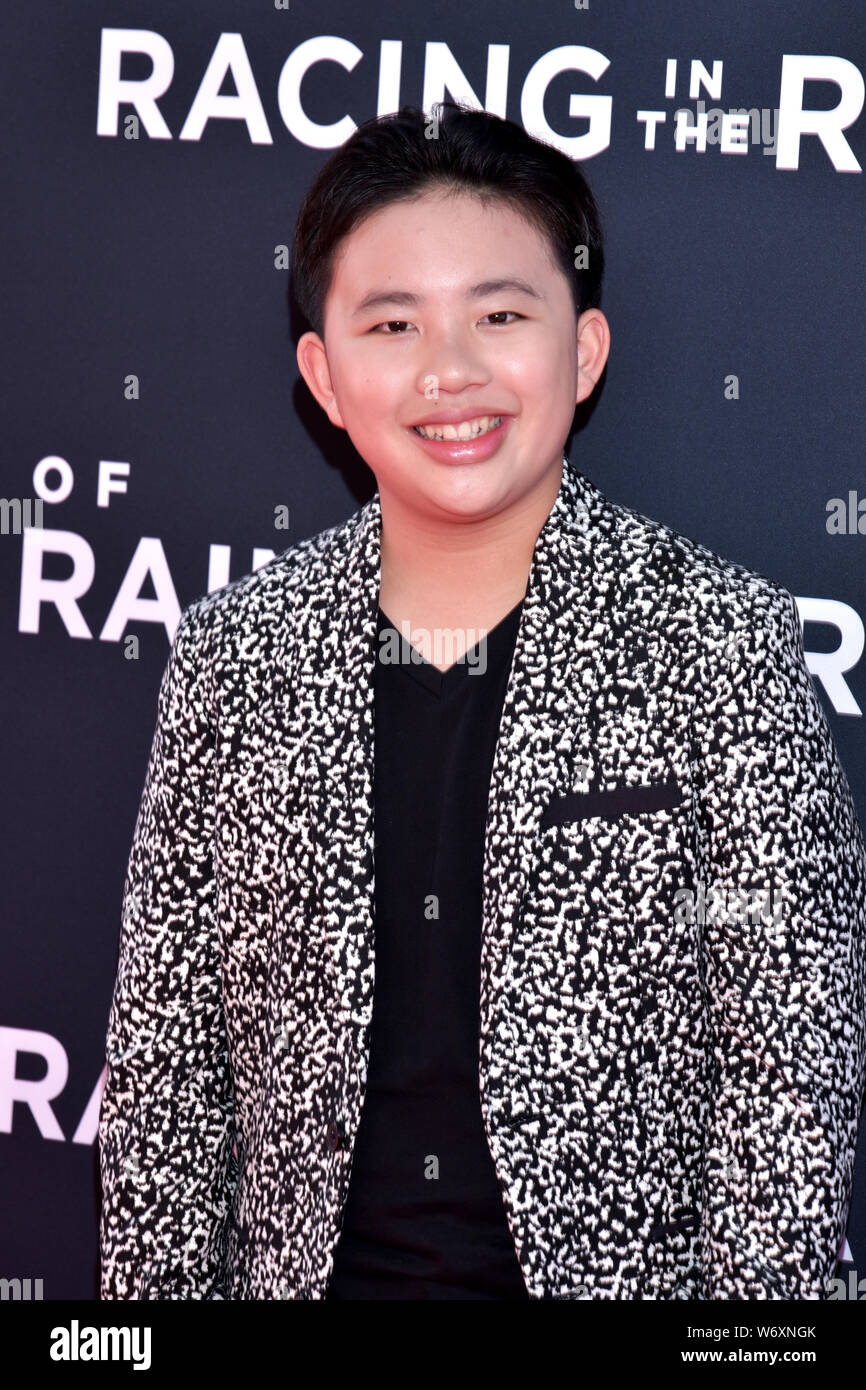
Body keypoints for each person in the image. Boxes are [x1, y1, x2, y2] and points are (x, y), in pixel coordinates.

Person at [98, 100, 866, 1300]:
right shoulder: (231, 658)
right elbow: (165, 1082)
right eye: (392, 323)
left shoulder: (720, 646)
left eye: (500, 315)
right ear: (324, 376)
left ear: (582, 350)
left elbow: (784, 1078)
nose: (449, 371)